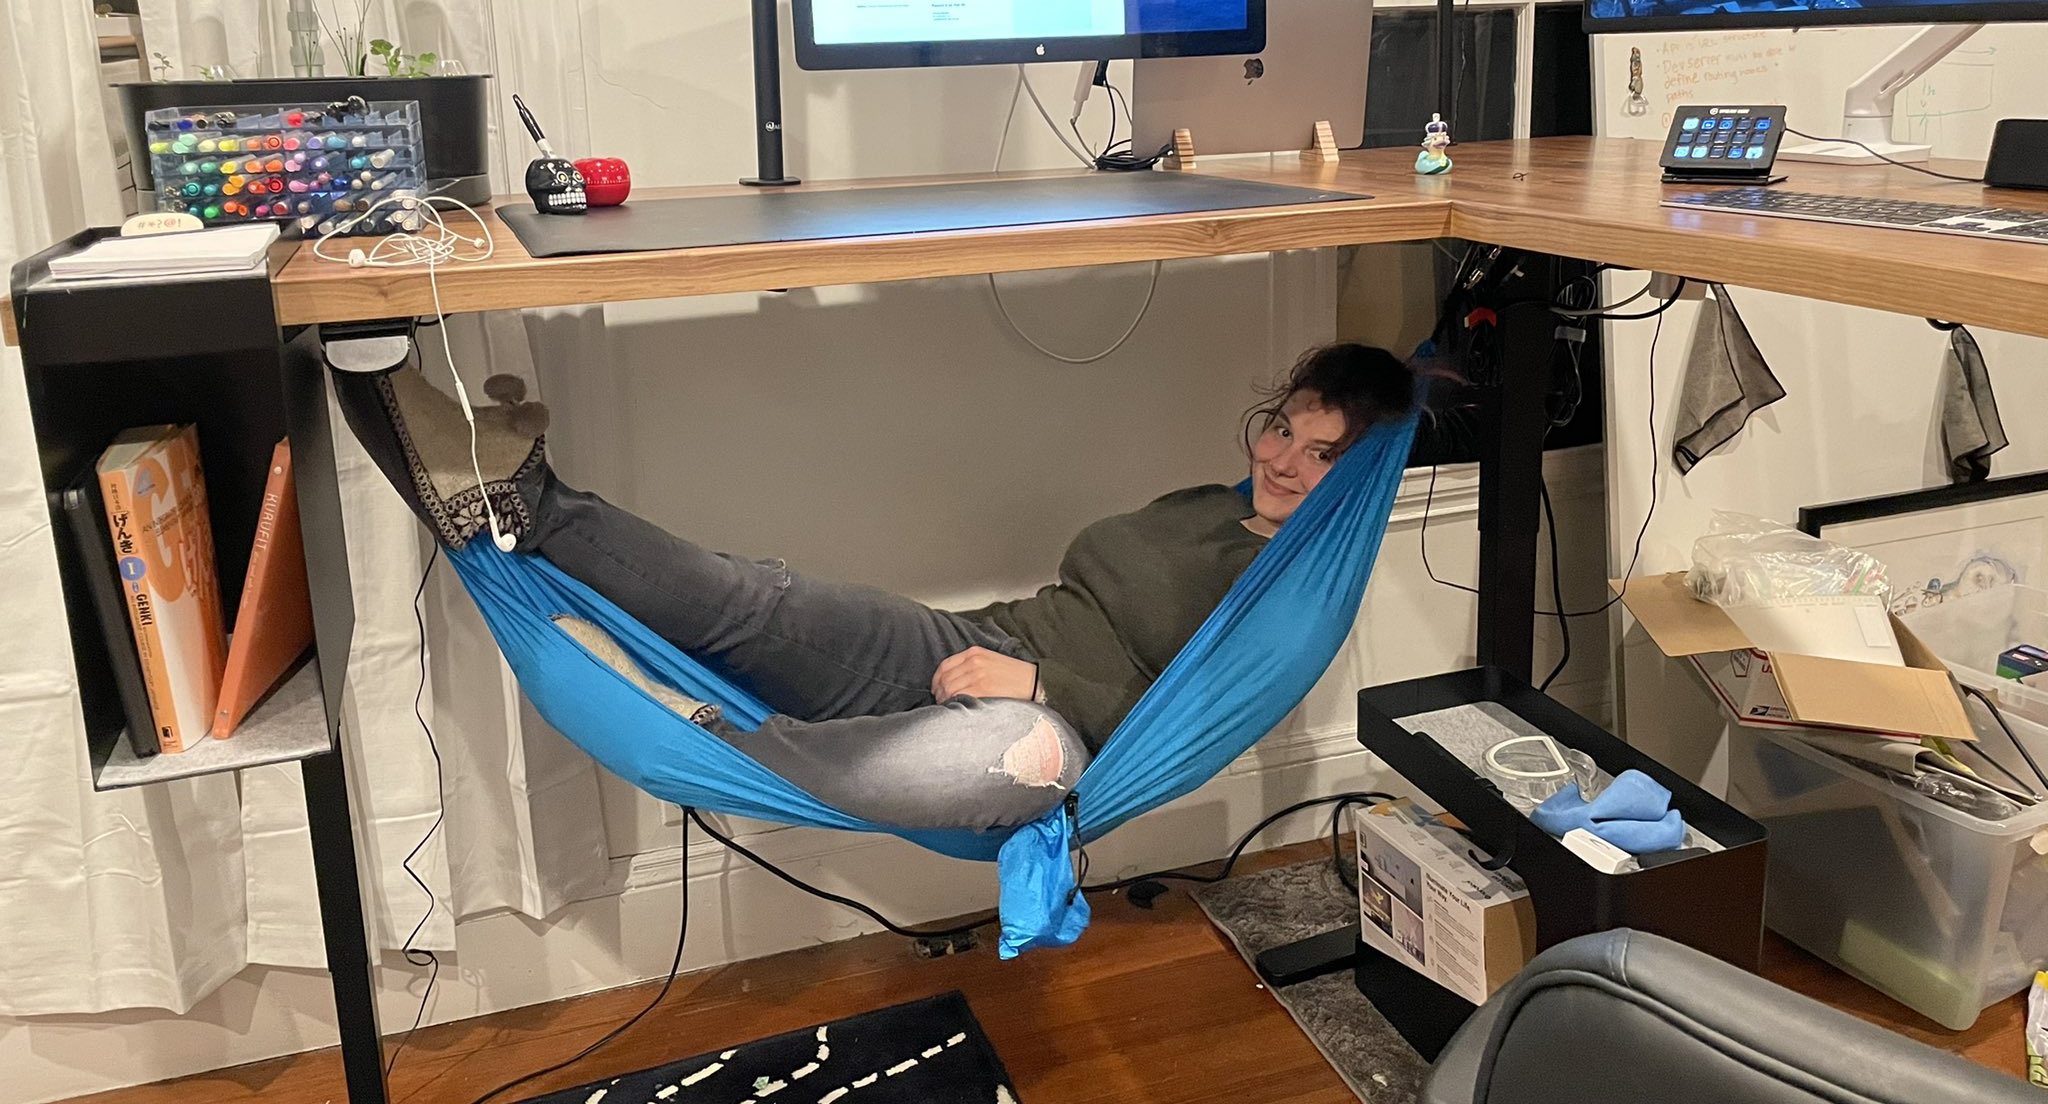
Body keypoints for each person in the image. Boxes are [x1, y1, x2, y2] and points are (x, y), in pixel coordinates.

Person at [331, 342, 1413, 835]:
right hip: (964, 637)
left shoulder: (1290, 595)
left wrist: (1039, 690)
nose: (1279, 459)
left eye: (1320, 456)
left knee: (996, 764)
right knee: (761, 599)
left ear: (1355, 481)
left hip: (1060, 731)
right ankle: (519, 499)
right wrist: (1008, 654)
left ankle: (707, 736)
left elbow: (1188, 731)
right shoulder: (1205, 503)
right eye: (1282, 426)